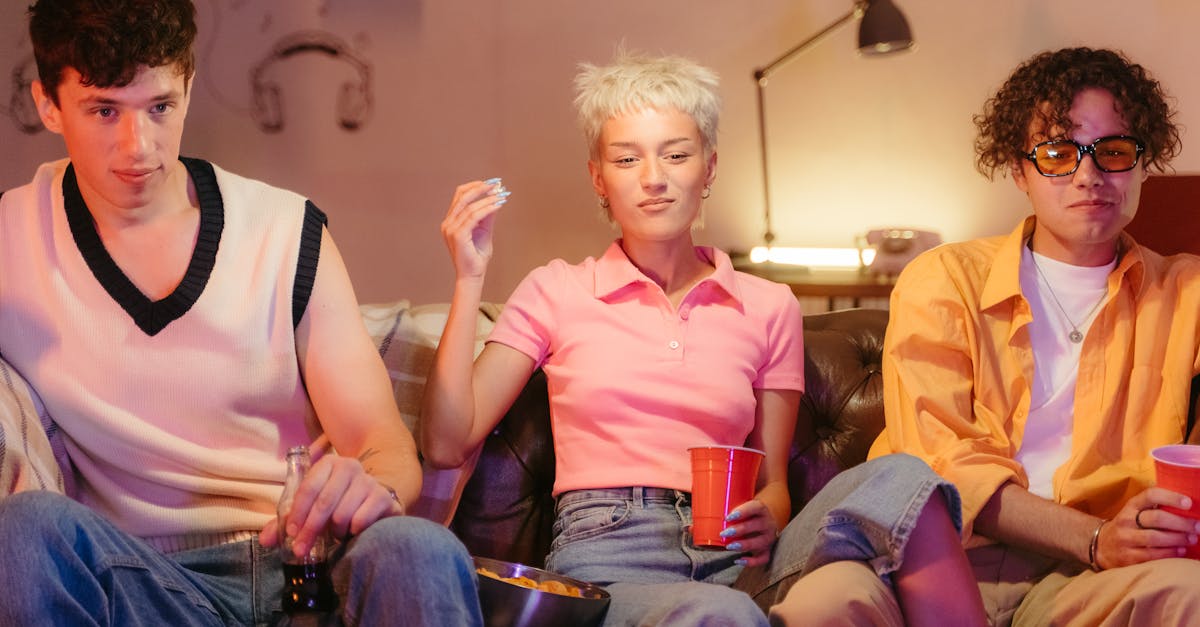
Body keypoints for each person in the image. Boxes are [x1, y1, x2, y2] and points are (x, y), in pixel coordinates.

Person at [422, 51, 986, 626]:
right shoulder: (558, 290)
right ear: (598, 177)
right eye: (626, 158)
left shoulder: (769, 306)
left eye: (676, 154)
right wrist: (469, 276)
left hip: (735, 558)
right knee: (718, 614)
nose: (654, 178)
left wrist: (768, 512)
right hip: (611, 557)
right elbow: (447, 442)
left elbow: (773, 487)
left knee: (909, 477)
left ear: (709, 167)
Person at [0, 1, 482, 625]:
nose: (138, 145)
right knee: (26, 530)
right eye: (103, 110)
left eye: (160, 107)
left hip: (303, 566)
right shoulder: (12, 236)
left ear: (190, 87)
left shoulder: (282, 230)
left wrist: (374, 485)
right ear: (48, 104)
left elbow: (383, 446)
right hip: (139, 584)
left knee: (419, 547)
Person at [869, 46, 1200, 626]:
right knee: (823, 606)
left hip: (1090, 581)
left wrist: (1118, 542)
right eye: (1057, 154)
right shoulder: (945, 278)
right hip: (934, 560)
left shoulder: (1188, 292)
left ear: (1144, 165)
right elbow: (942, 461)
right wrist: (1095, 536)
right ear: (1019, 171)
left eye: (1114, 152)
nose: (1088, 176)